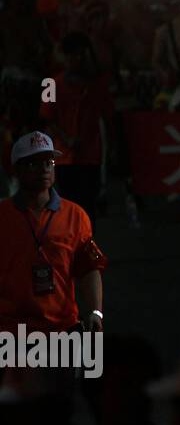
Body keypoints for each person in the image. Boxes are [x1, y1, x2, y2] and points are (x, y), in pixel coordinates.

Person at [0, 132, 107, 335]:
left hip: (62, 328)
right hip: (10, 330)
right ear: (17, 170)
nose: (44, 170)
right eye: (34, 164)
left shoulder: (76, 216)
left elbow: (89, 268)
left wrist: (95, 312)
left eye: (49, 163)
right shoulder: (3, 216)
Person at [39, 32, 113, 221]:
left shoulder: (97, 84)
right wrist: (66, 139)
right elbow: (47, 119)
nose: (78, 59)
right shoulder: (52, 84)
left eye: (81, 54)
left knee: (87, 206)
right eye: (73, 55)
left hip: (90, 155)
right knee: (68, 206)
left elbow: (108, 115)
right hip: (64, 157)